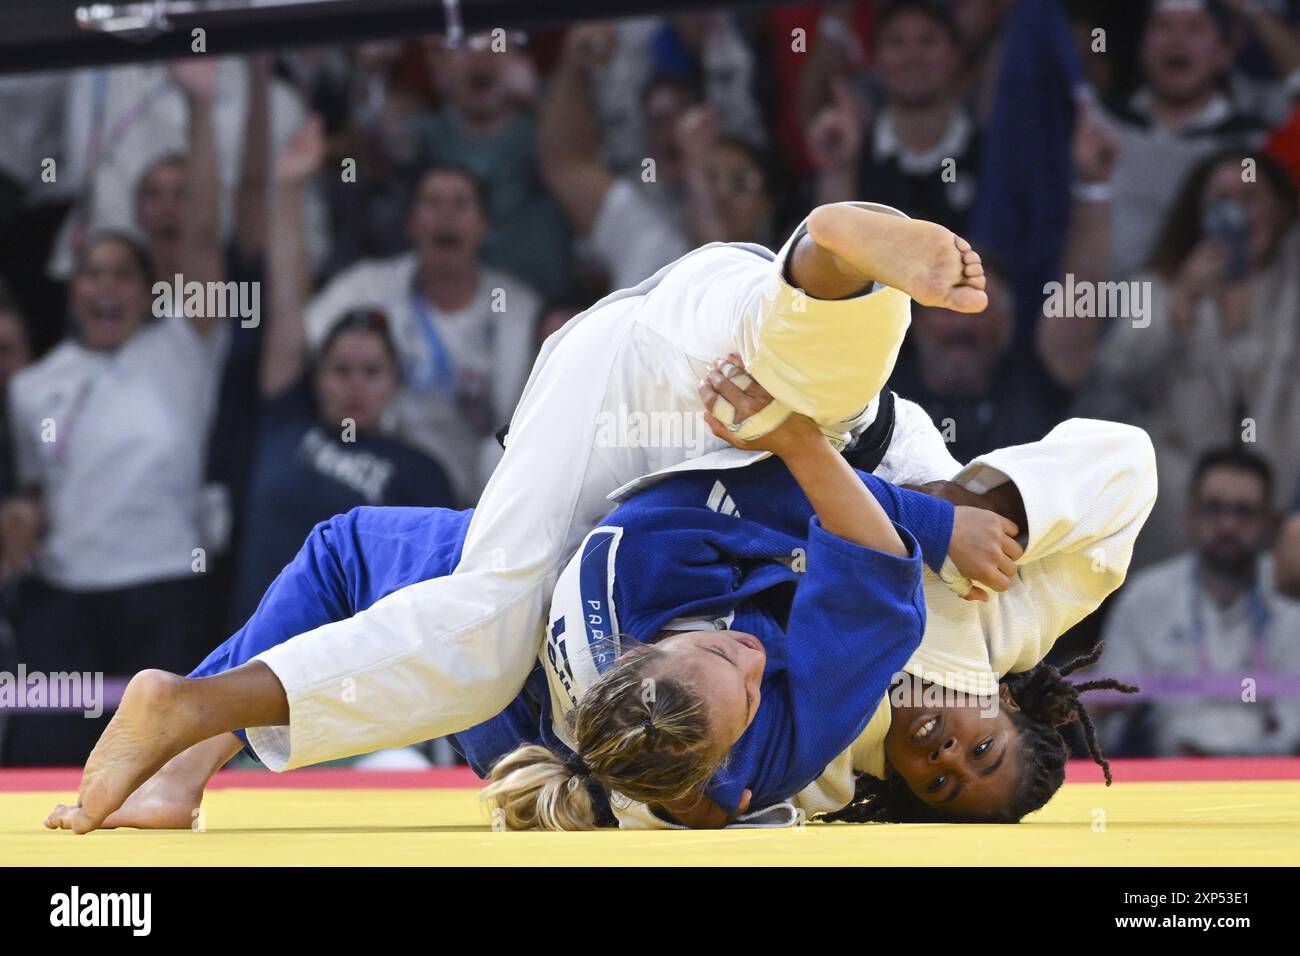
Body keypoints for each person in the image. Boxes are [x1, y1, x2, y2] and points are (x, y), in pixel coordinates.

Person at [46, 197, 991, 829]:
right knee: (811, 384)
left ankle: (194, 717)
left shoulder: (623, 586)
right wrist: (828, 458)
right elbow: (864, 561)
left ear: (635, 654)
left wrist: (798, 448)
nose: (750, 659)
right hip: (755, 382)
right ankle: (832, 258)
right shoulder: (765, 755)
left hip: (621, 393)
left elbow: (351, 552)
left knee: (490, 633)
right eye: (744, 689)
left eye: (717, 658)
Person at [231, 116, 456, 626]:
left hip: (348, 661)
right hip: (253, 650)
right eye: (341, 370)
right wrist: (290, 188)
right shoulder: (286, 419)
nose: (355, 384)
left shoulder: (420, 471)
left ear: (395, 385)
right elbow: (287, 307)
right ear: (315, 378)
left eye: (371, 372)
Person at [1087, 148, 1300, 566]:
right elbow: (1119, 371)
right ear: (1198, 213)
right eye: (1222, 200)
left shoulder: (1292, 293)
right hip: (1178, 511)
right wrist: (1181, 301)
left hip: (1277, 507)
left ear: (1279, 210)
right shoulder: (1160, 285)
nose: (1236, 214)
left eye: (1250, 198)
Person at [301, 161, 540, 503]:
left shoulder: (517, 309)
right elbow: (300, 345)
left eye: (461, 203)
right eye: (432, 202)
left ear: (484, 225)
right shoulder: (366, 285)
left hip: (483, 498)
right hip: (372, 477)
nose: (446, 216)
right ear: (410, 223)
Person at [1092, 447, 1300, 757]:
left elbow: (1293, 725)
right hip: (1165, 771)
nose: (1227, 525)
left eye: (1244, 512)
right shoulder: (1146, 596)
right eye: (1214, 509)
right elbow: (1108, 716)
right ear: (1189, 515)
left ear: (1270, 523)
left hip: (1275, 773)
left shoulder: (1292, 596)